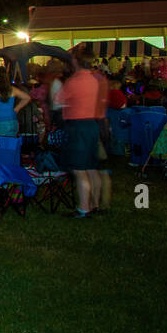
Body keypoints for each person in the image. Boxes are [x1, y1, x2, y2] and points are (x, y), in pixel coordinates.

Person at [58, 50, 103, 219]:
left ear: (76, 61)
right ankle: (96, 204)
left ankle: (84, 208)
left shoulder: (74, 81)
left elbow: (58, 99)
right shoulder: (94, 79)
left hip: (77, 125)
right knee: (91, 167)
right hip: (92, 124)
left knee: (79, 169)